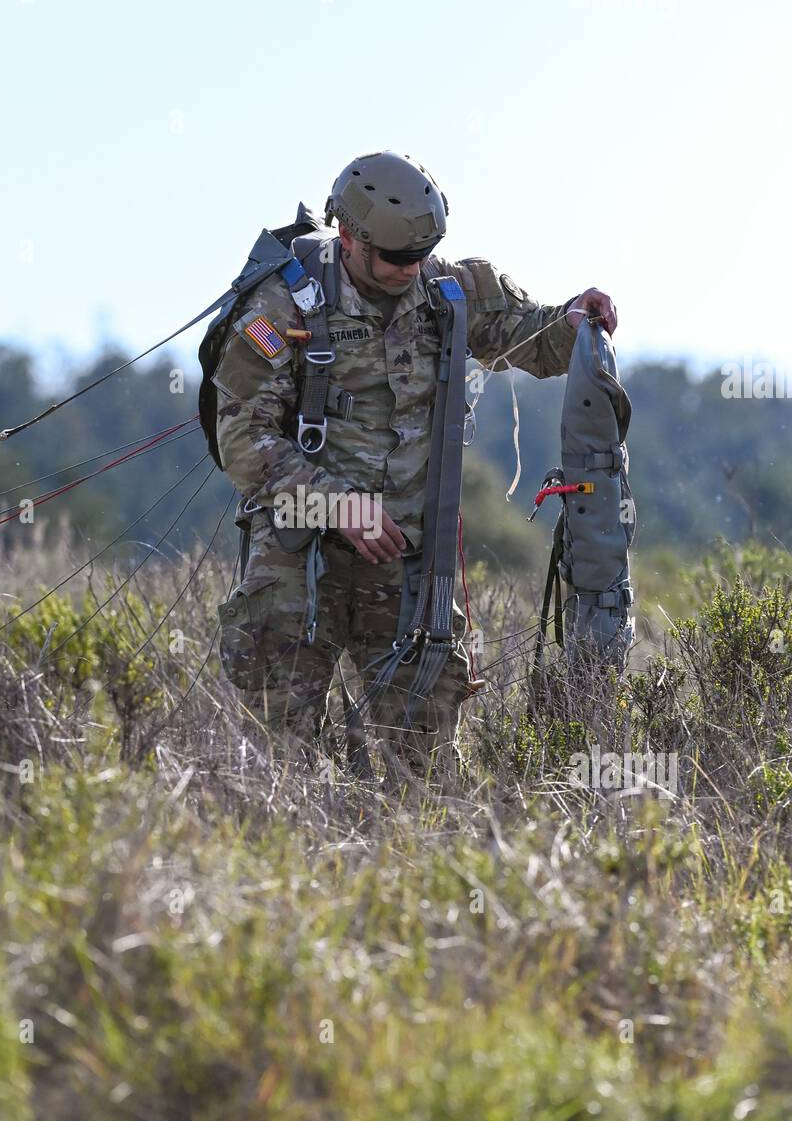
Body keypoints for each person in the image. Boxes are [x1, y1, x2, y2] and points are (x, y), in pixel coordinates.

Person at [212, 151, 617, 785]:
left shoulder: (448, 293)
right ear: (349, 237)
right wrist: (337, 505)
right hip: (299, 562)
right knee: (279, 765)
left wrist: (573, 319)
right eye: (397, 257)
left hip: (407, 567)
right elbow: (241, 438)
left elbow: (531, 337)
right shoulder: (284, 305)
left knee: (427, 774)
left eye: (421, 254)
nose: (411, 269)